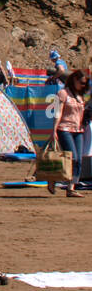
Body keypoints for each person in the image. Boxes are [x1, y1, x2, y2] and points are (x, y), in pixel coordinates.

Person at [49, 70, 88, 198]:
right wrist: (54, 130)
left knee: (79, 161)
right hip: (64, 129)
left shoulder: (80, 96)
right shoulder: (62, 93)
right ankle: (54, 179)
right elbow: (57, 112)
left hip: (78, 130)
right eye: (81, 82)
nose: (83, 85)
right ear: (74, 80)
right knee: (72, 158)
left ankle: (71, 188)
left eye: (84, 83)